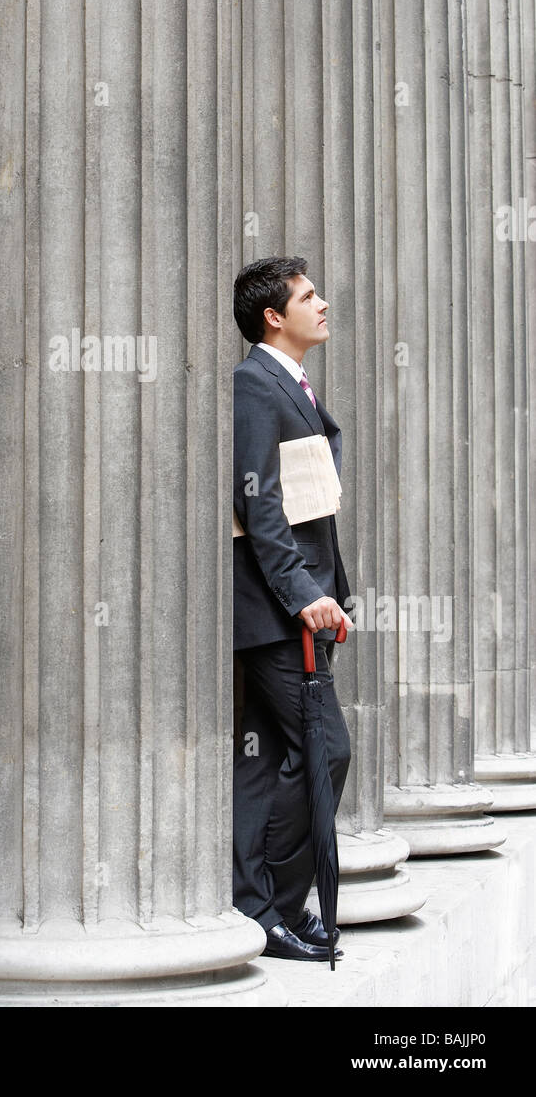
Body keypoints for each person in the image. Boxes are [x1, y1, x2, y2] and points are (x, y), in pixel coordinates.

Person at [232, 256, 353, 962]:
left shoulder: (291, 382)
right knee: (326, 749)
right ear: (274, 316)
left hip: (294, 607)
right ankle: (276, 905)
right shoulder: (255, 383)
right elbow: (259, 502)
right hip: (276, 611)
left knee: (265, 758)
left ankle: (258, 908)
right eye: (309, 296)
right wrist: (306, 595)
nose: (323, 303)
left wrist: (332, 589)